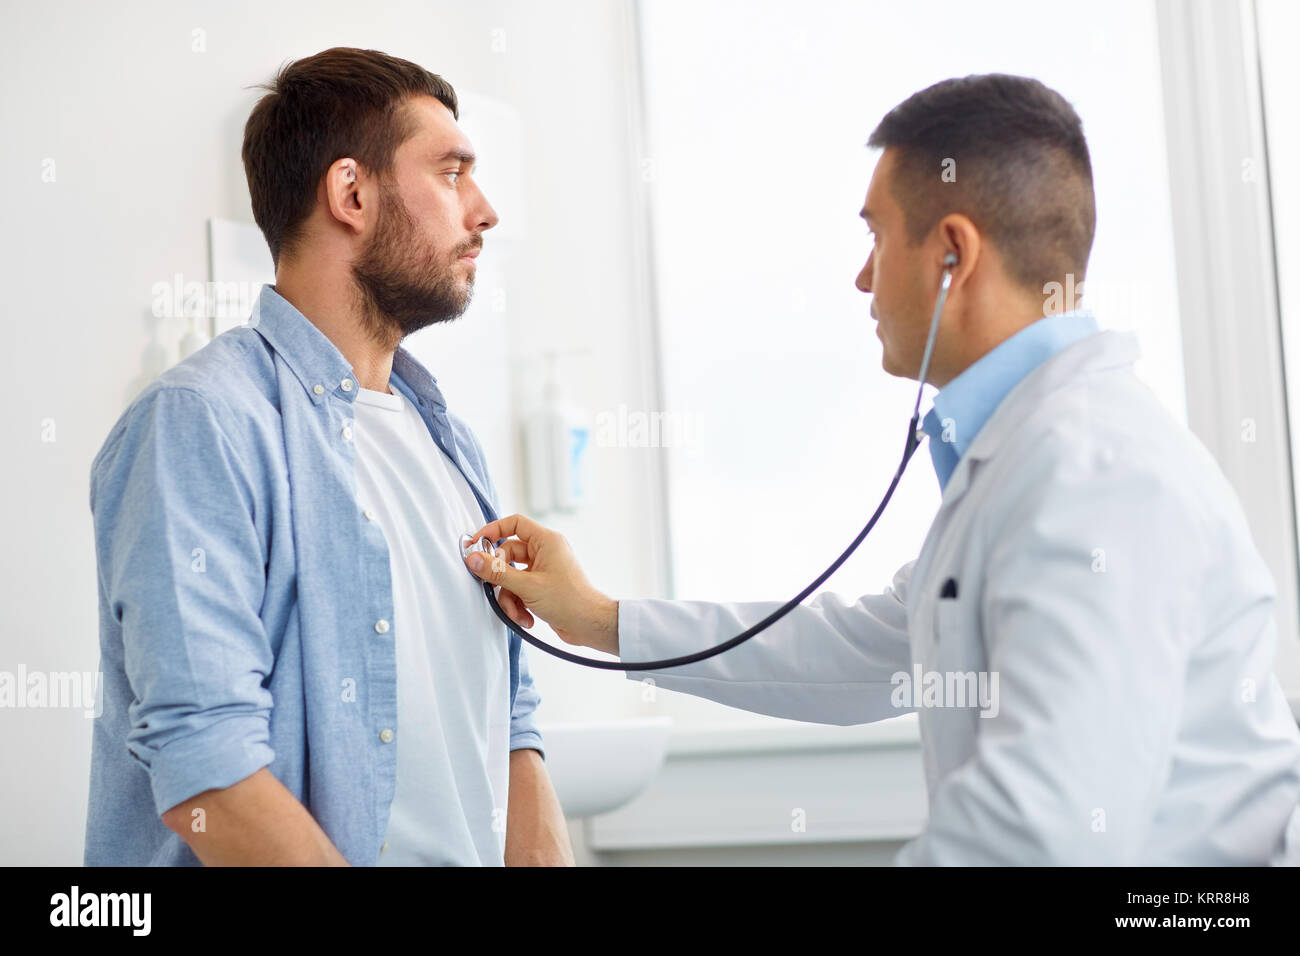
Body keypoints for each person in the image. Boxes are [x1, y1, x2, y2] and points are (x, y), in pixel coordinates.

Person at [463, 74, 1300, 865]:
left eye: (874, 235)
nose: (862, 277)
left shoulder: (1095, 474)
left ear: (952, 255)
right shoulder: (1027, 458)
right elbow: (862, 653)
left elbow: (1036, 838)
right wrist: (601, 618)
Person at [86, 47, 571, 866]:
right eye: (453, 173)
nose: (483, 211)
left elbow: (513, 724)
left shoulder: (451, 442)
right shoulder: (199, 425)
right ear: (351, 193)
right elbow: (207, 770)